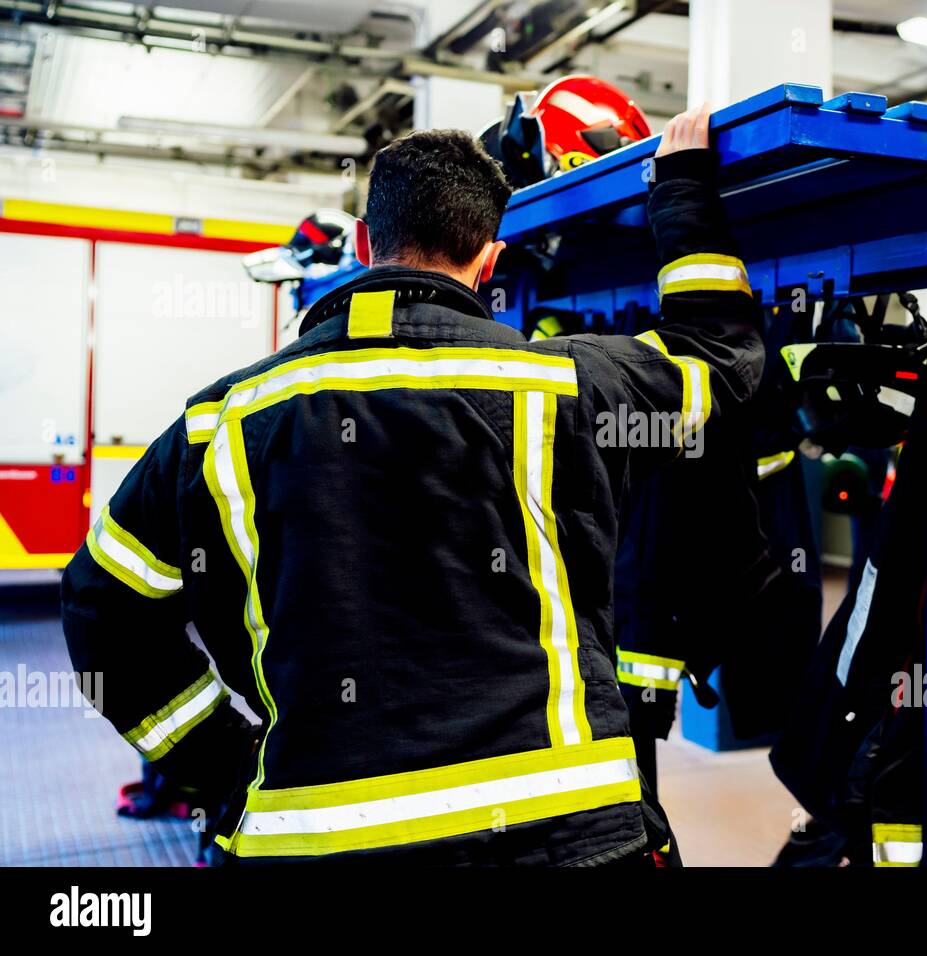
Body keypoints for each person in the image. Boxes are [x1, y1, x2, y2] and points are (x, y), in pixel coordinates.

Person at [61, 104, 763, 865]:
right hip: (561, 834)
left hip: (311, 842)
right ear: (491, 260)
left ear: (365, 244)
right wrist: (682, 186)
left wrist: (223, 766)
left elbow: (101, 606)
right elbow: (718, 358)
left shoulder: (223, 420)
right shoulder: (565, 384)